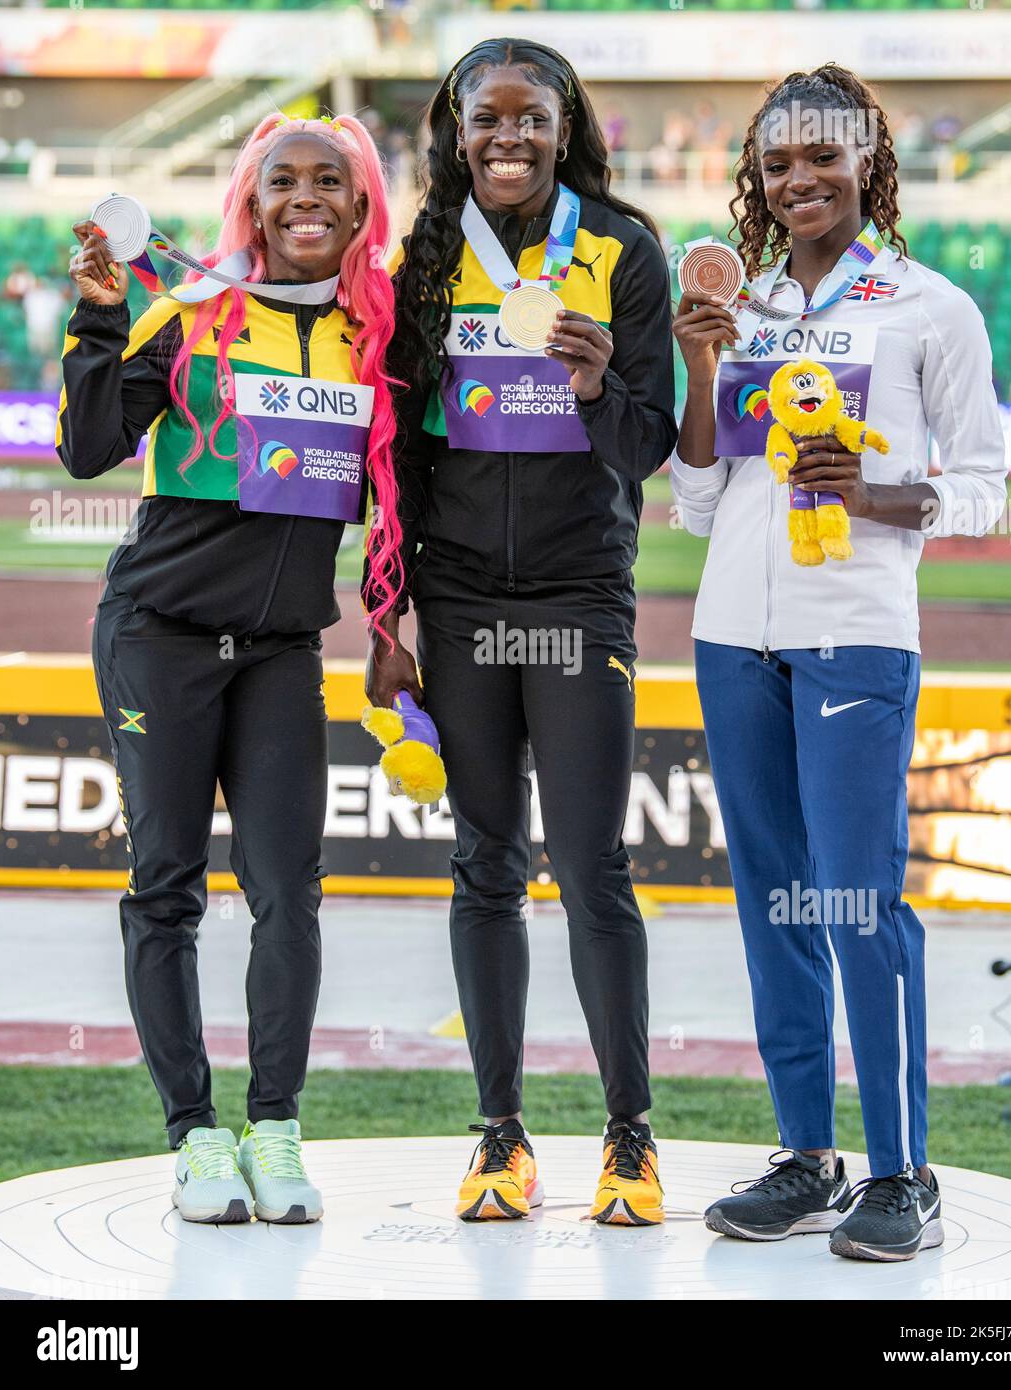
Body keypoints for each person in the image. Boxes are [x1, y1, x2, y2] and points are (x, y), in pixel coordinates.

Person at [671, 64, 1006, 1261]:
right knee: (774, 900)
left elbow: (980, 487)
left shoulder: (929, 307)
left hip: (856, 630)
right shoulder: (741, 302)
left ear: (867, 160)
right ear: (756, 181)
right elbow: (700, 505)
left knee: (859, 899)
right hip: (730, 635)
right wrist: (701, 368)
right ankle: (806, 1156)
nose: (799, 176)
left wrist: (875, 492)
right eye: (777, 161)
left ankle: (900, 1171)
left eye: (822, 154)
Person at [57, 113, 401, 1225]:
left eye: (328, 183)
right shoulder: (193, 315)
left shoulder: (376, 333)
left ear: (359, 208)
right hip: (158, 632)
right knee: (165, 890)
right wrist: (100, 317)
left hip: (281, 653)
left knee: (287, 893)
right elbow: (89, 448)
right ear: (252, 206)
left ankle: (277, 1129)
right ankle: (195, 1136)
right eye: (281, 182)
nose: (305, 197)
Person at [368, 38, 677, 1225]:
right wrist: (389, 602)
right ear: (455, 130)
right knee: (485, 866)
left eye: (530, 118)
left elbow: (649, 444)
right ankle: (499, 1134)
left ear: (564, 126)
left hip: (576, 597)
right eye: (484, 119)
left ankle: (629, 1138)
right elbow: (398, 453)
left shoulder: (621, 249)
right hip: (458, 602)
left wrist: (601, 390)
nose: (507, 138)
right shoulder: (427, 257)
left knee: (593, 869)